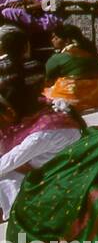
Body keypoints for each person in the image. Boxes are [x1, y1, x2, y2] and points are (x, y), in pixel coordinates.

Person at [0, 69, 83, 221]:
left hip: (53, 177)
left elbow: (9, 161)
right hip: (33, 167)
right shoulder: (39, 113)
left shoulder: (40, 135)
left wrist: (19, 166)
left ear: (11, 111)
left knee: (6, 183)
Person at [43, 23, 98, 112]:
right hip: (97, 94)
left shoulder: (57, 58)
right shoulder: (92, 54)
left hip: (73, 96)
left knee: (44, 93)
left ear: (67, 41)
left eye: (56, 38)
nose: (53, 40)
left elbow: (48, 79)